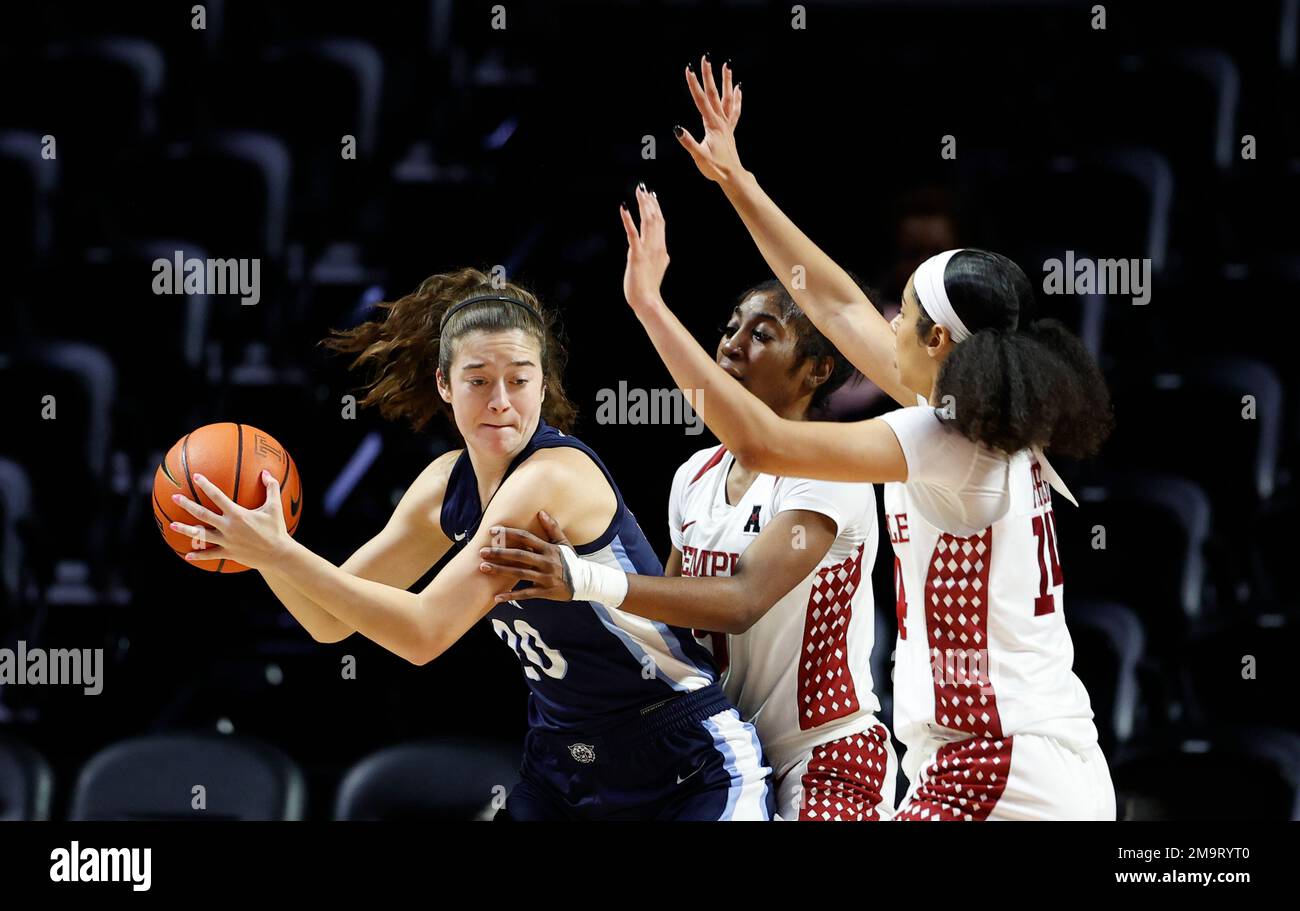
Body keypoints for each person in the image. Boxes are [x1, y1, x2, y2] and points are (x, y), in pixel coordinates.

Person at [595, 58, 1117, 820]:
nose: (887, 324)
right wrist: (737, 180)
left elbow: (765, 441)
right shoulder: (976, 415)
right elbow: (834, 303)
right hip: (1017, 758)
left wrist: (648, 307)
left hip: (1001, 767)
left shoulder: (945, 437)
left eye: (903, 315)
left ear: (938, 338)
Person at [166, 266, 773, 821]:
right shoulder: (442, 487)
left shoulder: (552, 477)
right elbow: (327, 620)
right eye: (478, 380)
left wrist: (278, 553)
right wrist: (260, 547)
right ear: (445, 385)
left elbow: (425, 633)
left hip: (681, 757)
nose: (500, 400)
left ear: (544, 385)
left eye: (519, 379)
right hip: (564, 761)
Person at [480, 277, 897, 820]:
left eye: (763, 334)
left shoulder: (831, 472)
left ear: (817, 370)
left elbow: (743, 602)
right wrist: (581, 571)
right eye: (731, 328)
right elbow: (668, 620)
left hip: (823, 756)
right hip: (714, 746)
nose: (732, 344)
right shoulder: (695, 475)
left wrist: (584, 578)